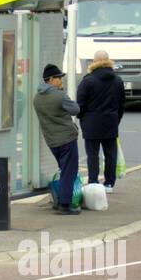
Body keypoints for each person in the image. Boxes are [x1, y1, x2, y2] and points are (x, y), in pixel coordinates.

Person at [34, 63, 82, 215]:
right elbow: (76, 110)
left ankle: (59, 200)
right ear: (51, 79)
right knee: (69, 171)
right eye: (59, 78)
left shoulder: (37, 98)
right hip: (67, 138)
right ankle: (64, 204)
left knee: (63, 169)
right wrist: (63, 95)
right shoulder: (60, 95)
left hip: (51, 140)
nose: (61, 81)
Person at [77, 49, 126, 192]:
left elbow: (80, 103)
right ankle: (109, 183)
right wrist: (116, 119)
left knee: (92, 155)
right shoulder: (117, 80)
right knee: (110, 154)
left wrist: (82, 118)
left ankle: (93, 181)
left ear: (94, 62)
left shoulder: (88, 81)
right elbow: (122, 104)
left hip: (91, 122)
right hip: (110, 121)